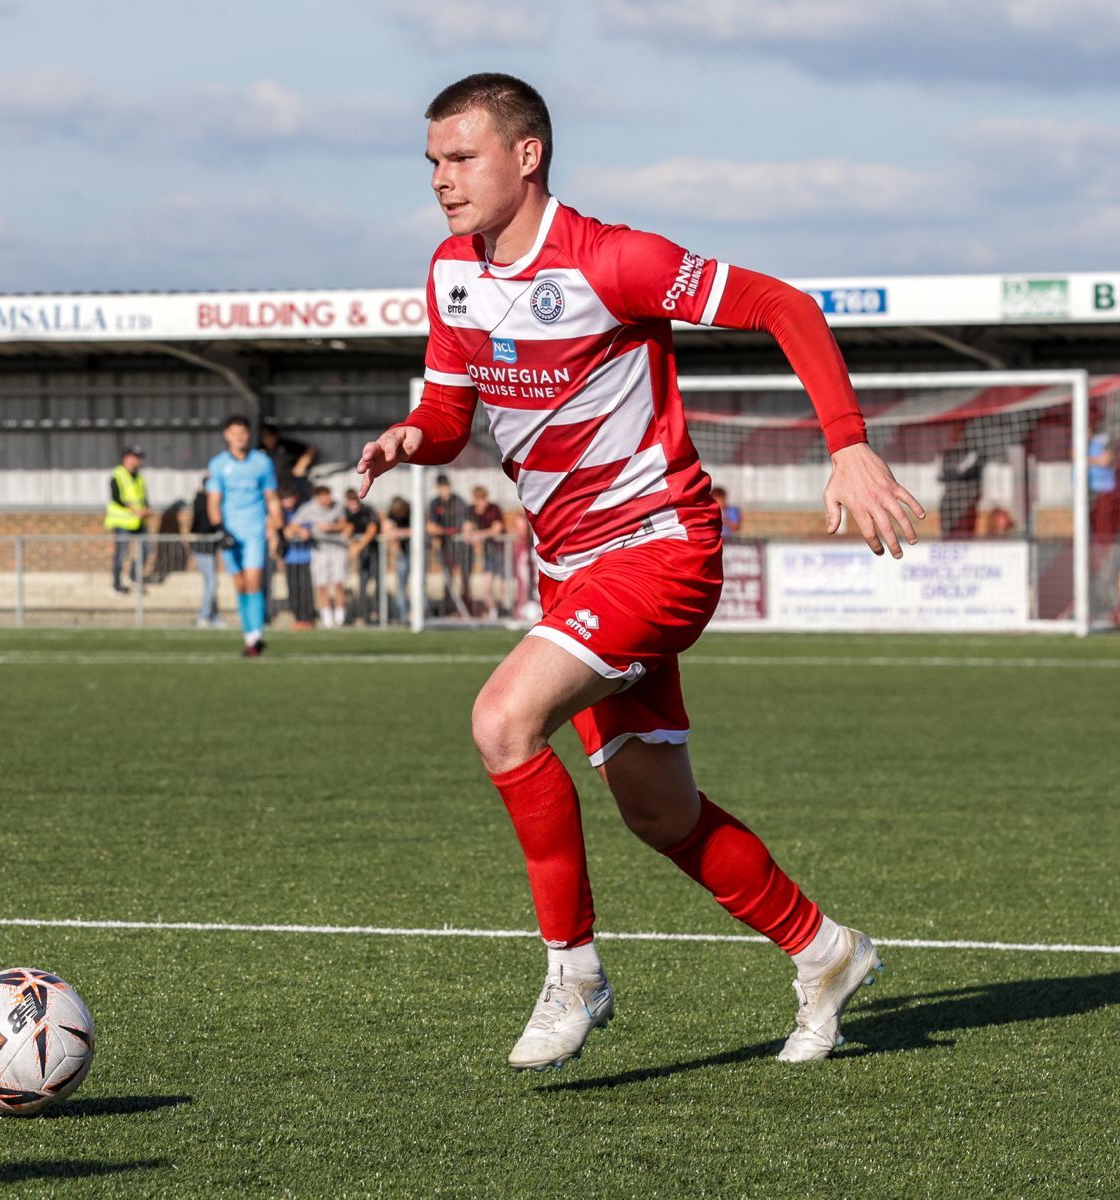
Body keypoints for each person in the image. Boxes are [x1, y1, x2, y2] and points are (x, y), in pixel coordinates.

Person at [356, 73, 924, 1071]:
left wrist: (846, 443)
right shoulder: (451, 271)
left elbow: (781, 305)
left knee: (501, 719)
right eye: (433, 163)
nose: (442, 181)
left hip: (660, 550)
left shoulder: (614, 260)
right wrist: (412, 435)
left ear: (525, 155)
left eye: (461, 158)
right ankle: (824, 951)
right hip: (571, 574)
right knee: (659, 813)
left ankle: (573, 973)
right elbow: (453, 416)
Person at [206, 416, 282, 656]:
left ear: (249, 435)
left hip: (254, 532)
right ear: (226, 435)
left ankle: (256, 636)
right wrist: (220, 529)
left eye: (243, 432)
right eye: (234, 432)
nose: (239, 436)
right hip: (231, 533)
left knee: (254, 581)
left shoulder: (262, 462)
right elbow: (214, 501)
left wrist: (278, 528)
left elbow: (271, 498)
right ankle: (249, 634)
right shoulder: (218, 465)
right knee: (240, 585)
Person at [292, 483, 350, 628]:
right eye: (325, 496)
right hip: (319, 550)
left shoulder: (337, 507)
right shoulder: (308, 509)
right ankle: (326, 617)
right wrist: (302, 531)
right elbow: (294, 525)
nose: (328, 499)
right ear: (317, 497)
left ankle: (340, 615)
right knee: (322, 584)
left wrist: (330, 527)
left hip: (337, 548)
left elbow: (345, 525)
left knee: (339, 583)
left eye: (329, 495)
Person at [105, 445, 150, 595]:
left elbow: (143, 498)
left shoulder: (140, 478)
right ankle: (116, 584)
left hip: (139, 521)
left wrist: (146, 509)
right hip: (122, 521)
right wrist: (133, 509)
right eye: (133, 457)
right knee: (122, 553)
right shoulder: (118, 474)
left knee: (146, 548)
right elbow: (116, 497)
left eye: (138, 458)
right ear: (125, 458)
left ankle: (133, 576)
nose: (136, 461)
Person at [427, 473, 470, 616]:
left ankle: (466, 609)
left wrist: (444, 531)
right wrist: (445, 532)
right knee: (448, 578)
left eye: (446, 487)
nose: (444, 491)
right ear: (438, 488)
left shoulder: (459, 502)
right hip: (445, 546)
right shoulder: (435, 503)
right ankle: (448, 609)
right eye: (442, 488)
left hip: (461, 547)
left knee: (465, 578)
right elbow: (431, 527)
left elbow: (467, 525)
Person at [277, 485, 317, 628]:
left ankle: (308, 617)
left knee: (305, 588)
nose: (287, 502)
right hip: (290, 557)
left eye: (289, 498)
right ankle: (298, 617)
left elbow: (305, 533)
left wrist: (295, 529)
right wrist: (296, 530)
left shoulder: (303, 512)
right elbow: (285, 532)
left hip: (305, 556)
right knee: (293, 589)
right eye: (284, 499)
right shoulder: (281, 515)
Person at [465, 485, 507, 617]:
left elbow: (496, 530)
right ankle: (493, 611)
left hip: (500, 551)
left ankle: (505, 610)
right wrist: (470, 533)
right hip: (487, 553)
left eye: (483, 499)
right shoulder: (472, 511)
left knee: (503, 585)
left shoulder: (494, 509)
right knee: (487, 587)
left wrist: (478, 535)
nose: (482, 502)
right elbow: (467, 530)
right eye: (478, 499)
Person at [189, 477, 224, 628]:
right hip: (202, 547)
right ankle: (203, 615)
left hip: (210, 548)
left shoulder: (209, 500)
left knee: (212, 583)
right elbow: (207, 521)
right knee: (212, 582)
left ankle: (213, 615)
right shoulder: (202, 500)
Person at [343, 488, 381, 624]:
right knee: (362, 584)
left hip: (373, 552)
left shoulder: (367, 510)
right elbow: (346, 528)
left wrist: (358, 546)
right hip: (361, 555)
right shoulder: (346, 512)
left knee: (378, 584)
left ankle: (380, 615)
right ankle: (365, 615)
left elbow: (372, 530)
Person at [260, 423, 317, 500]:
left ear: (275, 435)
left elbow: (311, 449)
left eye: (269, 435)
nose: (267, 439)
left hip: (288, 492)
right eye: (264, 436)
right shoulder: (260, 449)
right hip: (269, 492)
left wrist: (301, 465)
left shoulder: (286, 446)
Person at [383, 495, 414, 623]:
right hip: (402, 555)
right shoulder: (391, 515)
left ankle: (419, 614)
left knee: (416, 585)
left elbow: (420, 530)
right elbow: (387, 532)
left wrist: (399, 532)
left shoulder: (412, 513)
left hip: (416, 555)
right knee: (401, 586)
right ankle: (402, 616)